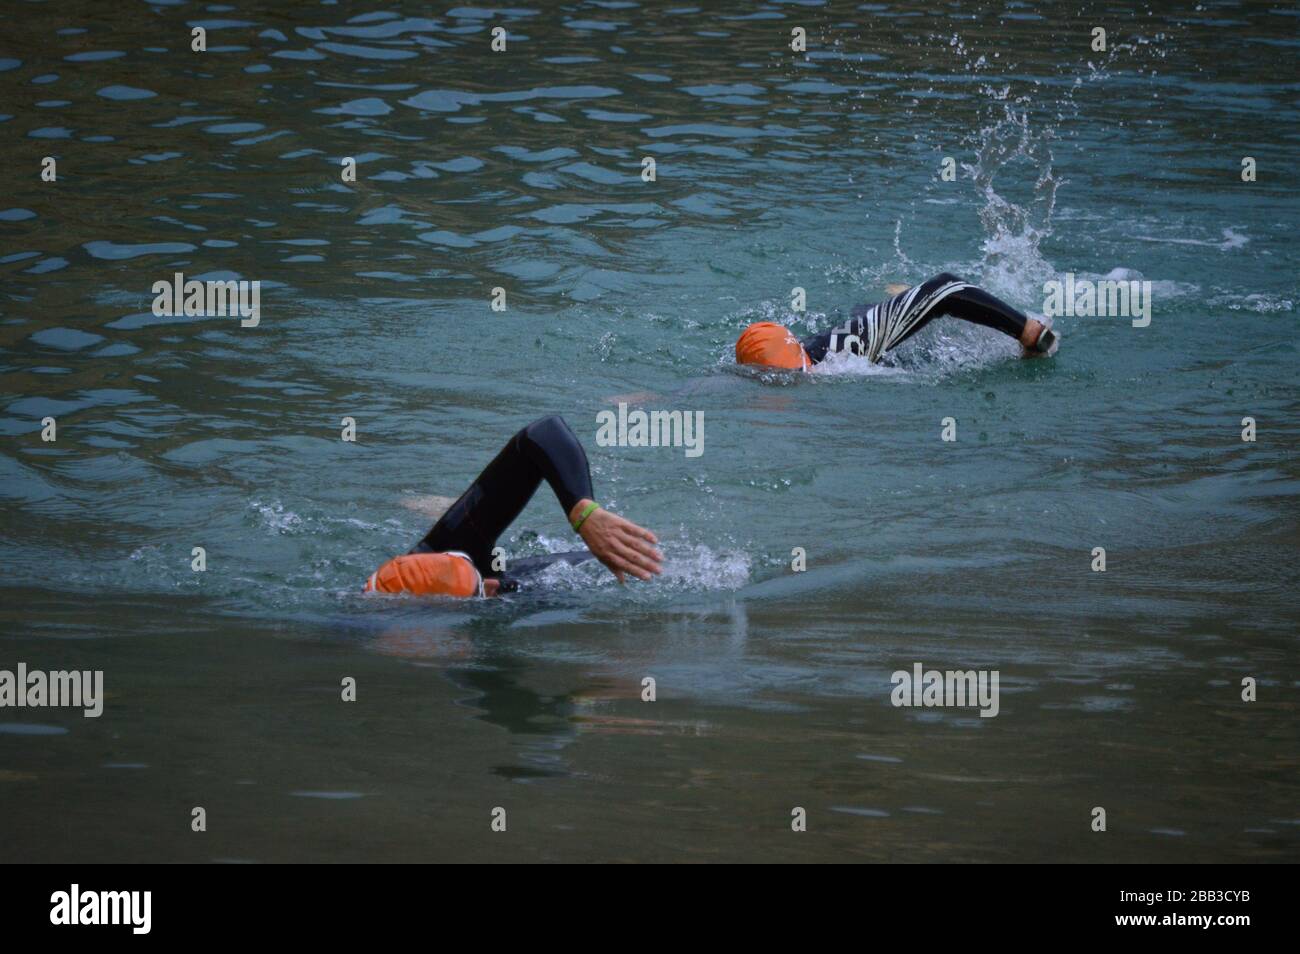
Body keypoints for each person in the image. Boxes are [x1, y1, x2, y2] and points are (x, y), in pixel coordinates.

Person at [364, 415, 662, 598]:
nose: (493, 585)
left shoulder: (447, 548)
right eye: (478, 592)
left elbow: (543, 433)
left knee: (655, 558)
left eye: (478, 575)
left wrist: (583, 512)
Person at [734, 272, 1058, 370]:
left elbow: (947, 288)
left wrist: (1025, 330)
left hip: (856, 337)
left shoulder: (842, 353)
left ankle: (1030, 331)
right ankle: (899, 298)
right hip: (866, 334)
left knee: (929, 298)